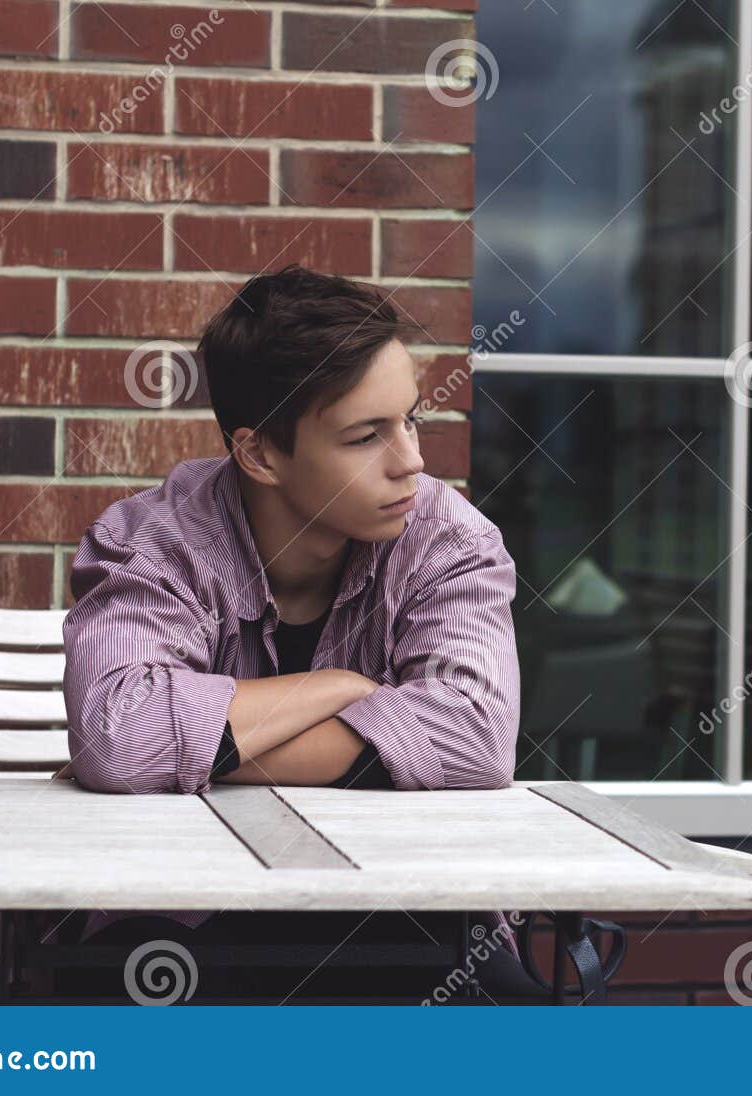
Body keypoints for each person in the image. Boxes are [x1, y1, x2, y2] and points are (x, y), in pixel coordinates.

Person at [54, 265, 535, 1000]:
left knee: (518, 1014)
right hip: (188, 909)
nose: (411, 461)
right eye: (366, 436)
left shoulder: (449, 540)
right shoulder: (154, 543)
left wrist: (207, 751)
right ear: (259, 454)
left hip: (406, 903)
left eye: (411, 419)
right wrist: (339, 689)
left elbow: (475, 733)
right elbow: (120, 737)